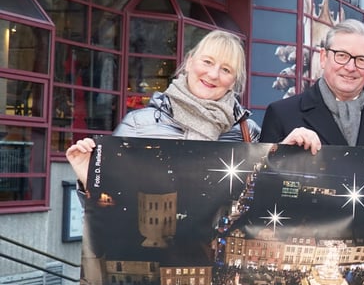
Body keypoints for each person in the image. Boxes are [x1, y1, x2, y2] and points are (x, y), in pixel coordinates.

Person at [258, 19, 364, 211]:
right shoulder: (282, 114)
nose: (350, 67)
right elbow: (261, 191)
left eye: (362, 59)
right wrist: (279, 155)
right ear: (323, 57)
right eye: (341, 55)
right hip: (303, 237)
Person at [66, 30, 261, 185]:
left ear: (234, 81)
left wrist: (287, 156)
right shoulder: (139, 124)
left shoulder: (247, 132)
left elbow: (263, 202)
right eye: (207, 62)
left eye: (226, 69)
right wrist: (89, 179)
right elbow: (109, 209)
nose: (213, 74)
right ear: (190, 63)